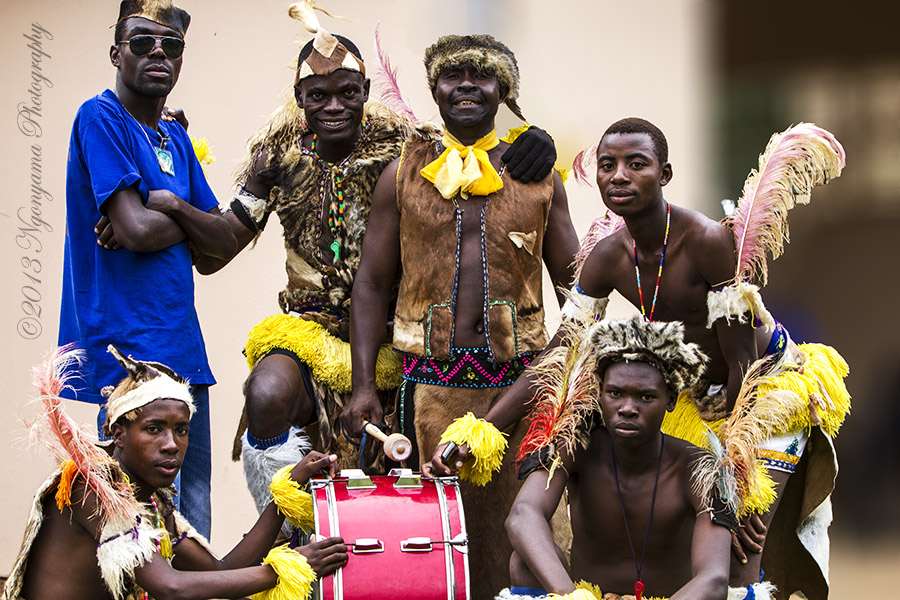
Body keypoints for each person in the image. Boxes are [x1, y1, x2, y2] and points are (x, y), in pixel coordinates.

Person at [443, 117, 849, 599]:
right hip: (695, 396)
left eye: (636, 164)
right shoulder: (607, 257)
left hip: (764, 393)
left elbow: (744, 364)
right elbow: (559, 353)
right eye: (607, 165)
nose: (619, 176)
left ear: (665, 174)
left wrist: (736, 485)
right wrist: (482, 429)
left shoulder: (706, 241)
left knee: (740, 552)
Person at [191, 1, 558, 528]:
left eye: (347, 92)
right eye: (317, 95)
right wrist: (173, 203)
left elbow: (468, 132)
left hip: (397, 341)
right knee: (267, 393)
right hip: (311, 328)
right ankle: (288, 532)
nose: (333, 106)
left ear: (365, 91)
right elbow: (224, 241)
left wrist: (539, 137)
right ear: (299, 98)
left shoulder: (405, 153)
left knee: (406, 491)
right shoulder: (277, 157)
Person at [344, 33, 579, 600]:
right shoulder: (402, 171)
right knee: (435, 550)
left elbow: (578, 290)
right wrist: (362, 386)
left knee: (527, 546)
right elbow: (371, 283)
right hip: (429, 393)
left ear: (503, 89)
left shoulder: (538, 174)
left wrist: (561, 373)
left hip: (520, 391)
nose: (467, 85)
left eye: (482, 75)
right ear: (434, 88)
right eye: (453, 75)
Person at [57, 0, 236, 539]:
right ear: (117, 53)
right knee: (137, 532)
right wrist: (191, 219)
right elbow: (135, 231)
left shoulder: (174, 136)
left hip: (185, 354)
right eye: (141, 42)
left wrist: (172, 206)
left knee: (191, 523)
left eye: (171, 45)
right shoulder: (101, 117)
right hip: (129, 359)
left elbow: (220, 248)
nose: (158, 52)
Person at [3, 345, 347, 600]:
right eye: (154, 429)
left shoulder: (153, 502)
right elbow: (170, 587)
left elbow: (221, 570)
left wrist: (288, 488)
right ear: (117, 434)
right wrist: (284, 568)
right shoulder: (92, 487)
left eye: (181, 430)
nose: (172, 444)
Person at [501, 317, 760, 600]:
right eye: (615, 393)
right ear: (600, 393)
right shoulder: (576, 446)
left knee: (733, 561)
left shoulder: (698, 467)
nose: (627, 408)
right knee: (524, 561)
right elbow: (523, 515)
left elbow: (714, 578)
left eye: (646, 397)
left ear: (671, 399)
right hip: (585, 596)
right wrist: (569, 595)